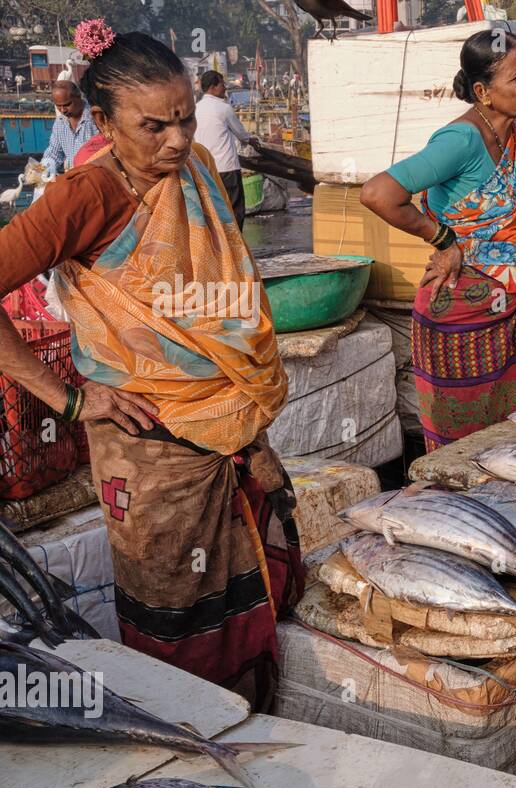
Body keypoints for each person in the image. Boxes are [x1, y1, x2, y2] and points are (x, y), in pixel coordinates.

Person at [0, 25, 301, 708]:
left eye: (185, 117)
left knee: (248, 588)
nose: (174, 138)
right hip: (151, 447)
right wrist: (71, 400)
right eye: (153, 125)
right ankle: (189, 746)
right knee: (178, 615)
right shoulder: (87, 195)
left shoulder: (189, 165)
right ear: (103, 122)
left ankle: (254, 727)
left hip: (228, 423)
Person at [360, 30, 516, 450]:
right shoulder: (461, 140)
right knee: (466, 449)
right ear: (483, 91)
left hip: (510, 306)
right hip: (461, 319)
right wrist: (445, 241)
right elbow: (378, 193)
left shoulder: (514, 133)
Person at [195, 70, 258, 229]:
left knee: (212, 210)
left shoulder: (195, 109)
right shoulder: (223, 108)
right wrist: (251, 140)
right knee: (235, 209)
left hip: (205, 169)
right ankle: (236, 247)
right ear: (213, 87)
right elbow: (242, 135)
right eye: (222, 84)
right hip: (227, 168)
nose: (225, 88)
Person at [41, 80, 100, 177]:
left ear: (78, 97)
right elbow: (54, 152)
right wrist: (40, 170)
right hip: (74, 178)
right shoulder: (60, 122)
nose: (63, 110)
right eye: (58, 106)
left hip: (95, 177)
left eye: (67, 105)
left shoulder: (96, 119)